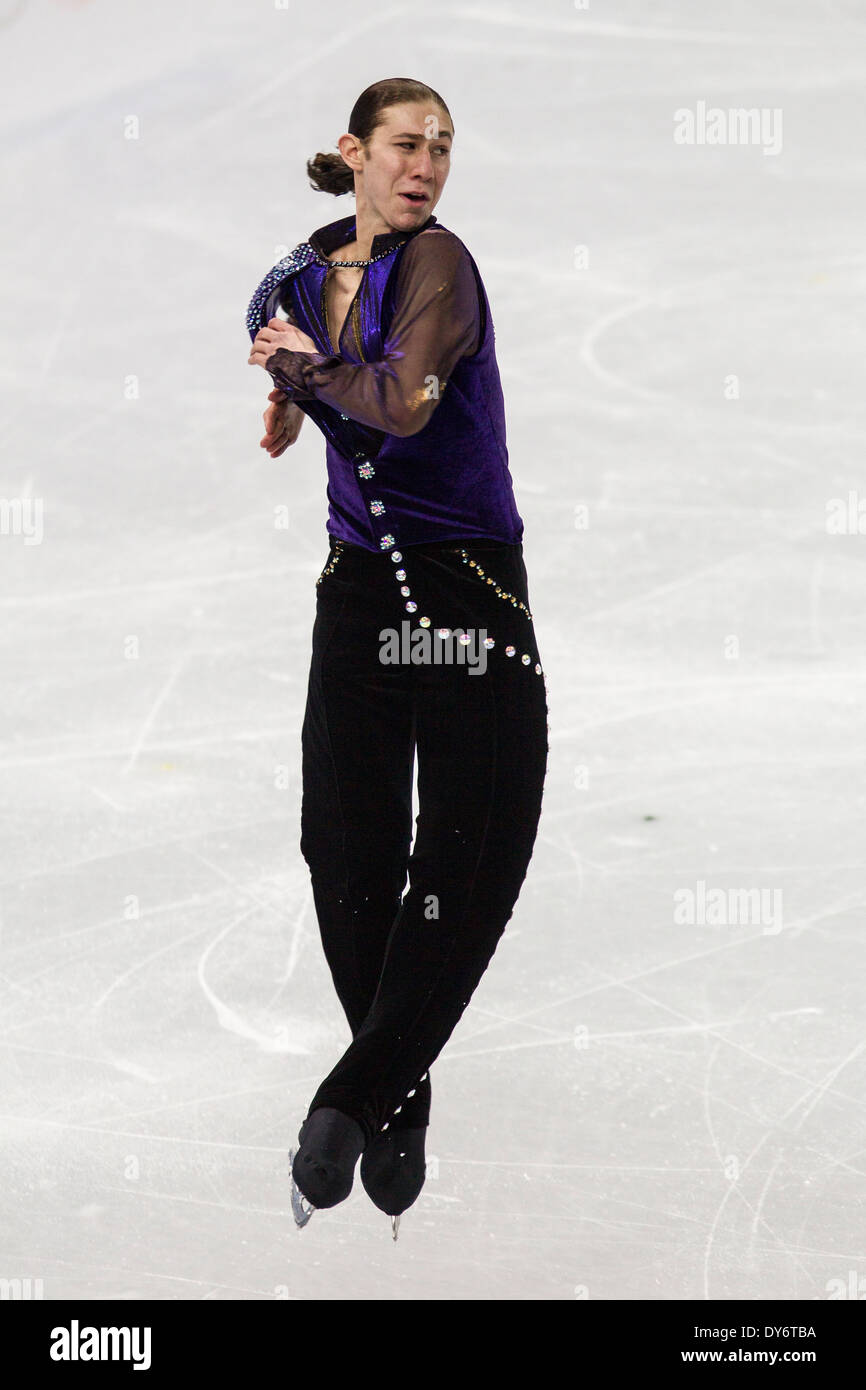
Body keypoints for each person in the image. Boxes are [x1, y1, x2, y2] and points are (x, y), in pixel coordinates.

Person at [246, 77, 549, 1230]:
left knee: (434, 855)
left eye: (442, 148)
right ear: (353, 153)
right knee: (373, 855)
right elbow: (291, 372)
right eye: (405, 145)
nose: (425, 167)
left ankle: (355, 1097)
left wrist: (298, 380)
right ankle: (383, 1098)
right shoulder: (291, 280)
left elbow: (407, 398)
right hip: (404, 598)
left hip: (442, 595)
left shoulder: (438, 267)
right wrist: (289, 396)